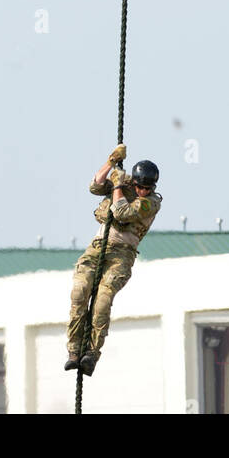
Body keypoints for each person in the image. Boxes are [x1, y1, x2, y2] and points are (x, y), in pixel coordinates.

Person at [65, 147, 162, 376]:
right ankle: (73, 349)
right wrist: (111, 162)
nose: (142, 191)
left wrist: (117, 186)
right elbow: (95, 185)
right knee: (80, 292)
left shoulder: (151, 203)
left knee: (102, 301)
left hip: (122, 254)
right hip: (98, 247)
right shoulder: (126, 183)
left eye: (147, 188)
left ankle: (91, 353)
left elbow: (121, 212)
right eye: (139, 186)